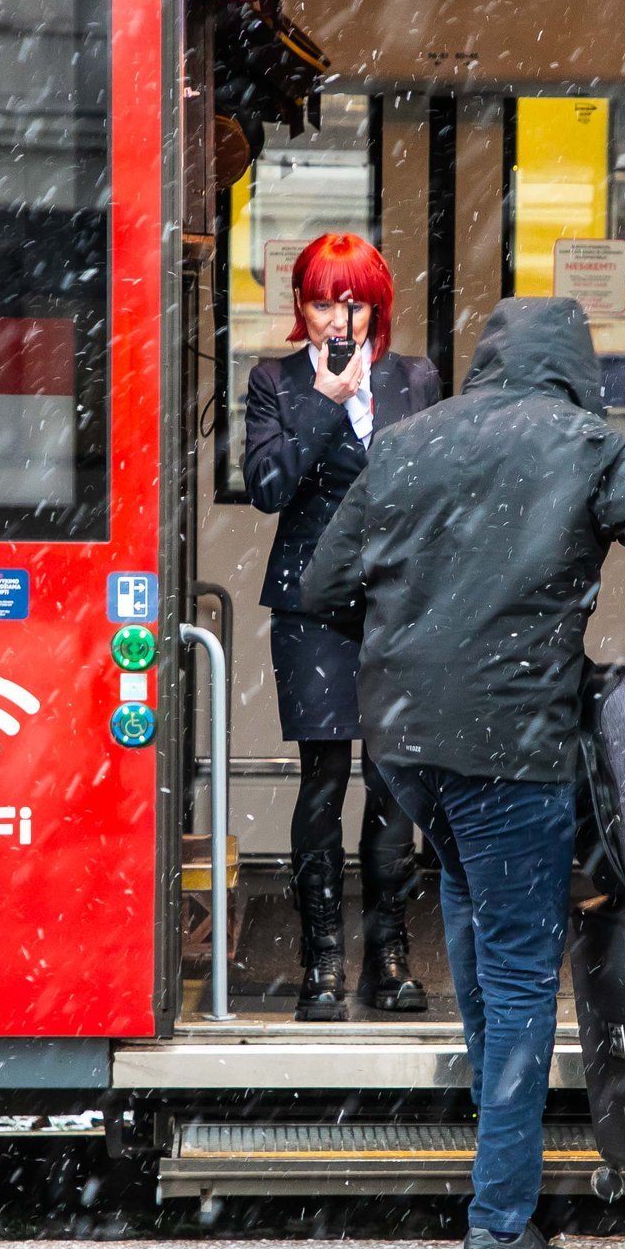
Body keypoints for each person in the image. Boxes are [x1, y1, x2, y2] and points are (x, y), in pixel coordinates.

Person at [302, 297, 625, 1249]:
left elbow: (323, 584)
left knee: (480, 942)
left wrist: (413, 636)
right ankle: (499, 1227)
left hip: (406, 744)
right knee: (524, 975)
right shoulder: (584, 441)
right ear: (573, 364)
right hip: (510, 743)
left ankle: (503, 1193)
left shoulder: (407, 442)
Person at [243, 233, 443, 1019]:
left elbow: (435, 488)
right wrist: (326, 405)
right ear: (302, 306)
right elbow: (266, 487)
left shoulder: (415, 379)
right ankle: (320, 959)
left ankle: (388, 952)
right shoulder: (276, 381)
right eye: (323, 300)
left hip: (398, 605)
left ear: (376, 307)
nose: (337, 316)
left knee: (395, 782)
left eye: (351, 300)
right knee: (323, 780)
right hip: (310, 606)